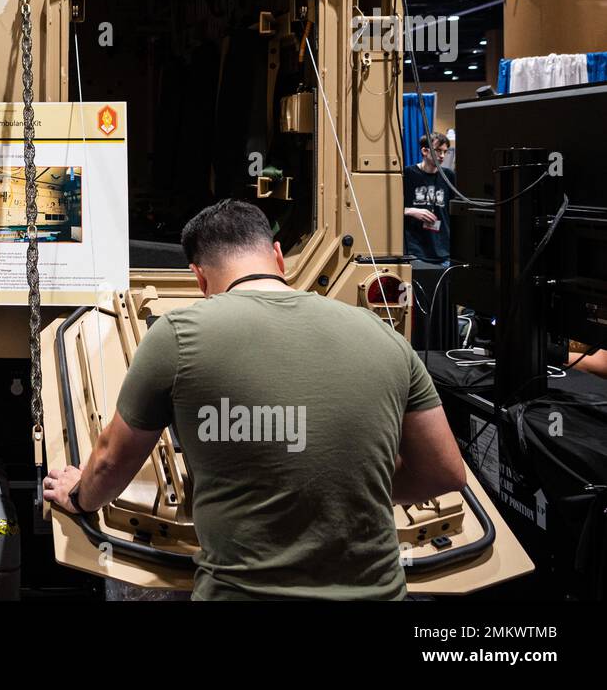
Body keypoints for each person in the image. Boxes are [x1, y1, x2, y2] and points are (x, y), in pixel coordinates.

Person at [42, 199, 466, 600]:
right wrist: (345, 482)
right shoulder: (384, 337)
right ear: (279, 257)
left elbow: (111, 461)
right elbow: (446, 472)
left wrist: (78, 496)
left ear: (199, 277)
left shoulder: (177, 334)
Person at [404, 132, 456, 265]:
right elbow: (390, 209)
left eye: (445, 152)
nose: (442, 156)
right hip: (415, 251)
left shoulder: (448, 176)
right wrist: (410, 211)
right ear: (425, 150)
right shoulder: (408, 174)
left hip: (444, 250)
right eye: (438, 151)